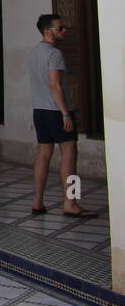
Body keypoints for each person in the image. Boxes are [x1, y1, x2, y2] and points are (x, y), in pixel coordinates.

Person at [29, 14, 95, 217]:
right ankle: (71, 203)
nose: (64, 31)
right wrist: (66, 113)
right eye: (60, 28)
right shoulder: (54, 53)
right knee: (69, 155)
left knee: (43, 155)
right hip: (57, 112)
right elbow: (55, 85)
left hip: (40, 111)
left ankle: (37, 202)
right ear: (48, 31)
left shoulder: (34, 52)